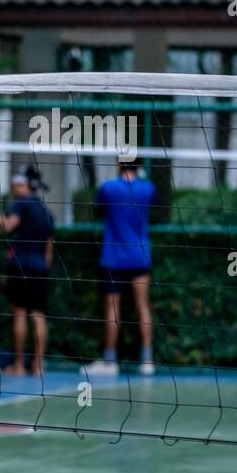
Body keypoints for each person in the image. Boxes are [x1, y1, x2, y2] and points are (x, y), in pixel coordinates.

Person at [83, 161, 157, 377]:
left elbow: (99, 210)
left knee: (112, 309)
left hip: (113, 258)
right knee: (143, 306)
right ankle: (147, 360)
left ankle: (109, 360)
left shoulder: (108, 188)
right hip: (140, 256)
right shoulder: (148, 188)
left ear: (119, 164)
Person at [0, 166, 55, 377]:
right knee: (39, 315)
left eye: (16, 186)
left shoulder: (22, 205)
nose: (13, 190)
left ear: (26, 186)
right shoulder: (46, 211)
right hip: (40, 268)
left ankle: (20, 366)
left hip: (21, 266)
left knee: (21, 313)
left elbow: (7, 226)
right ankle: (38, 366)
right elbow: (50, 247)